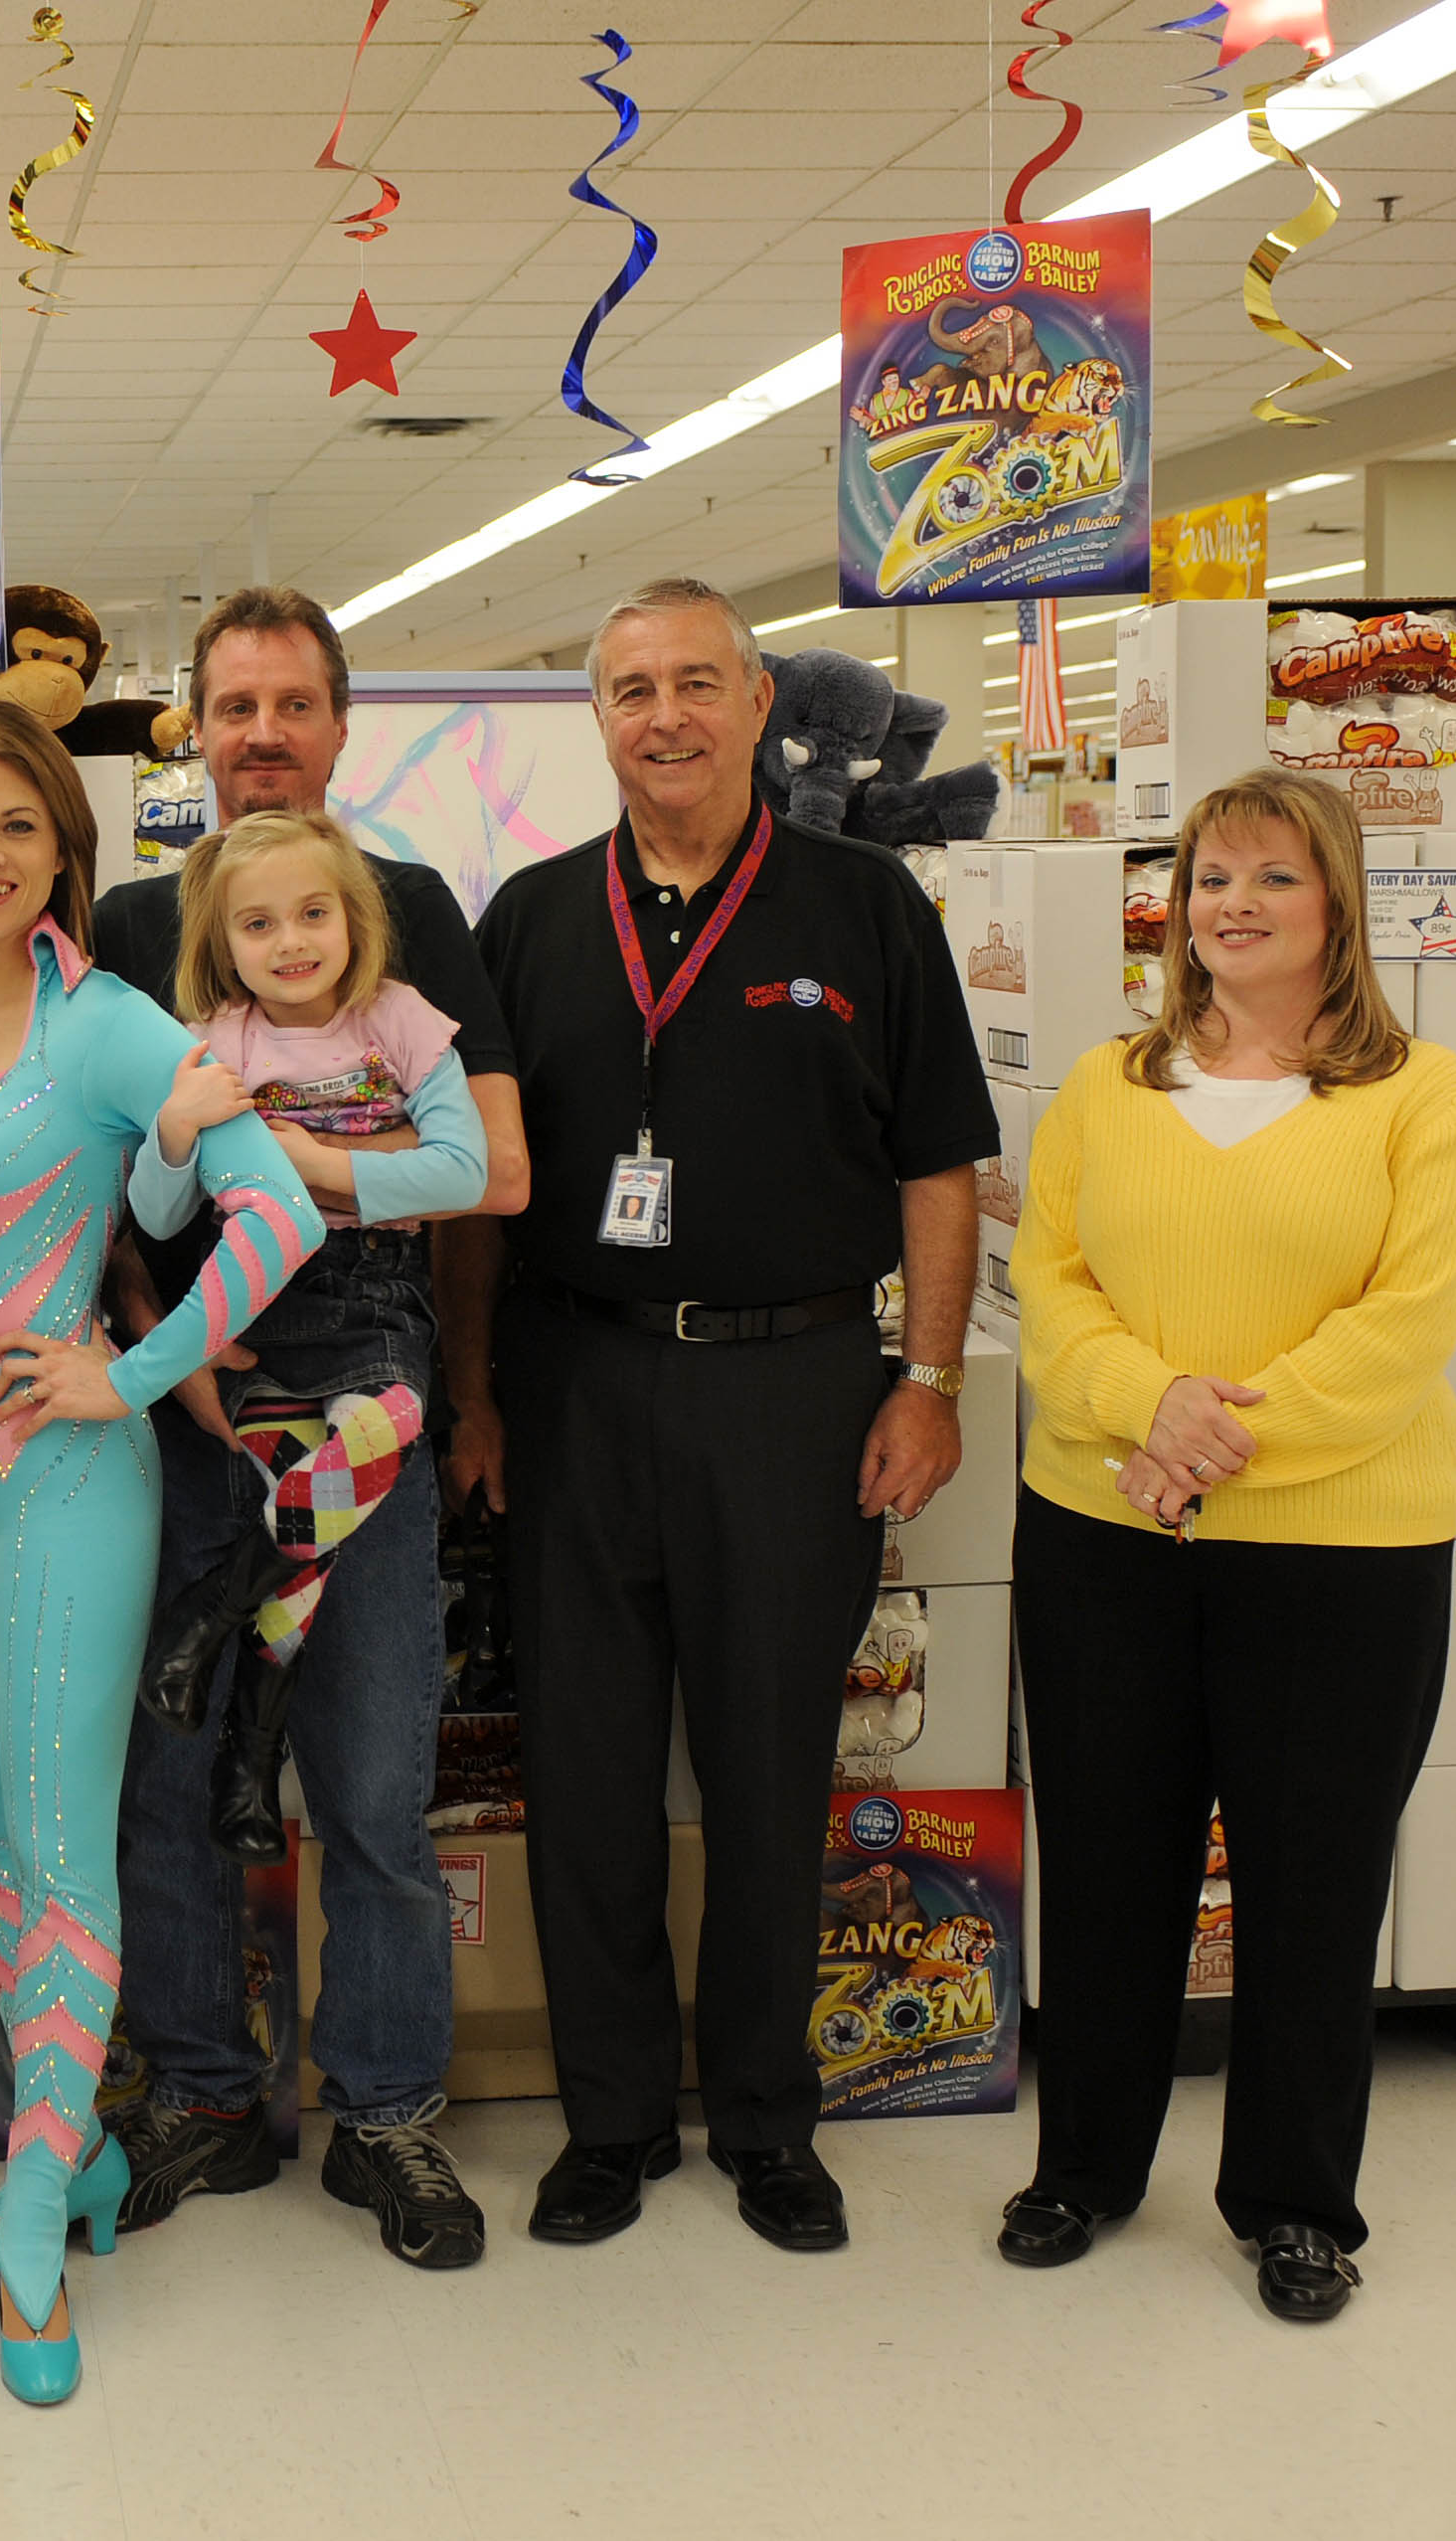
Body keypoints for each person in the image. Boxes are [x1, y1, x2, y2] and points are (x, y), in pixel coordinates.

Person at [441, 577, 994, 2254]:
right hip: (575, 1381)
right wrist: (472, 1390)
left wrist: (930, 1381)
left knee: (769, 1768)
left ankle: (767, 2119)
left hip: (794, 1387)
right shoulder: (530, 917)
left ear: (761, 704)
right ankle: (610, 2121)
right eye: (631, 689)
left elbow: (938, 1166)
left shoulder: (865, 907)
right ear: (596, 721)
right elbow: (476, 1189)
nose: (664, 715)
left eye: (697, 682)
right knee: (589, 1773)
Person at [0, 697, 321, 2403]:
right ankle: (87, 2153)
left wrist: (124, 1372)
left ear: (65, 842)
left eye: (16, 824)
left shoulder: (110, 1024)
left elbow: (276, 1210)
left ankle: (40, 2203)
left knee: (62, 1852)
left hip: (64, 1483)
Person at [1001, 768, 1456, 2324]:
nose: (1232, 904)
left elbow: (1407, 1321)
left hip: (1341, 1552)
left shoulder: (1423, 1096)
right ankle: (1083, 2167)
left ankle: (1294, 2202)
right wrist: (1142, 1406)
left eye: (1273, 877)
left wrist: (1213, 1439)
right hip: (1105, 1530)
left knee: (1310, 1881)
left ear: (1336, 903)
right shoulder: (1106, 1085)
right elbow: (1050, 1283)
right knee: (1106, 1864)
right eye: (1210, 878)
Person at [86, 583, 527, 2270]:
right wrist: (163, 1343)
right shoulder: (133, 924)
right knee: (176, 1765)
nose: (261, 733)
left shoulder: (411, 917)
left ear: (340, 726)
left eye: (292, 704)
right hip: (194, 1403)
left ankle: (389, 2112)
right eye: (232, 706)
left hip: (370, 1414)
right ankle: (205, 2090)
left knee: (370, 1777)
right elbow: (109, 1185)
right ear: (189, 729)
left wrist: (461, 1386)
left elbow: (483, 1175)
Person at [136, 807, 487, 1870]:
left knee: (387, 1425)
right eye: (257, 925)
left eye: (311, 914)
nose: (289, 942)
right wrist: (177, 1127)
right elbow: (159, 1213)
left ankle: (208, 1609)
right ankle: (248, 1764)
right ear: (222, 942)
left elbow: (464, 1172)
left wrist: (301, 1158)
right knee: (311, 1556)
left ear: (353, 918)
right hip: (259, 1302)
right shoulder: (216, 1043)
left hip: (376, 1302)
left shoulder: (401, 1019)